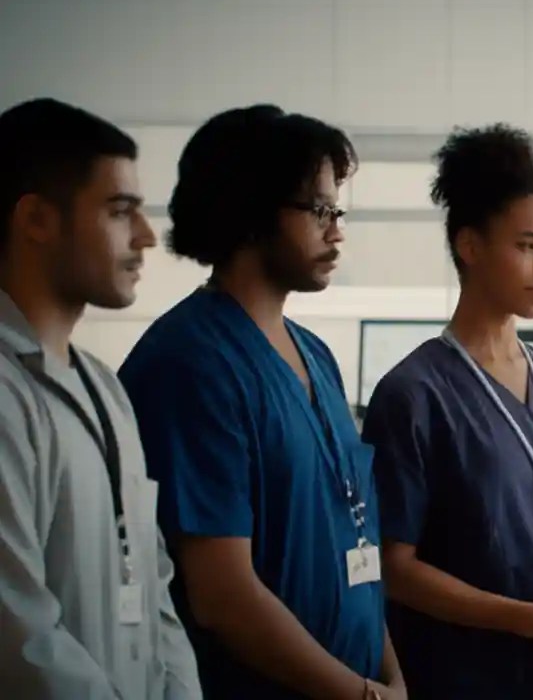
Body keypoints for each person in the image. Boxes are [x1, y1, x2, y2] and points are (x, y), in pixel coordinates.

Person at [117, 105, 404, 699]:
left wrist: (390, 677)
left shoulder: (316, 356)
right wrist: (364, 695)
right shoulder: (190, 365)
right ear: (252, 212)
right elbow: (224, 597)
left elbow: (358, 546)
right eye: (319, 209)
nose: (337, 229)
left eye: (338, 210)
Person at [360, 123, 533, 699]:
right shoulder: (414, 395)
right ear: (470, 245)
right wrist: (530, 618)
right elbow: (395, 569)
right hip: (472, 677)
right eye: (527, 247)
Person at [0, 98, 201, 699]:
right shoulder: (8, 396)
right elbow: (19, 635)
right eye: (120, 211)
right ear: (36, 219)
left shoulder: (103, 385)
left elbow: (155, 581)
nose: (145, 236)